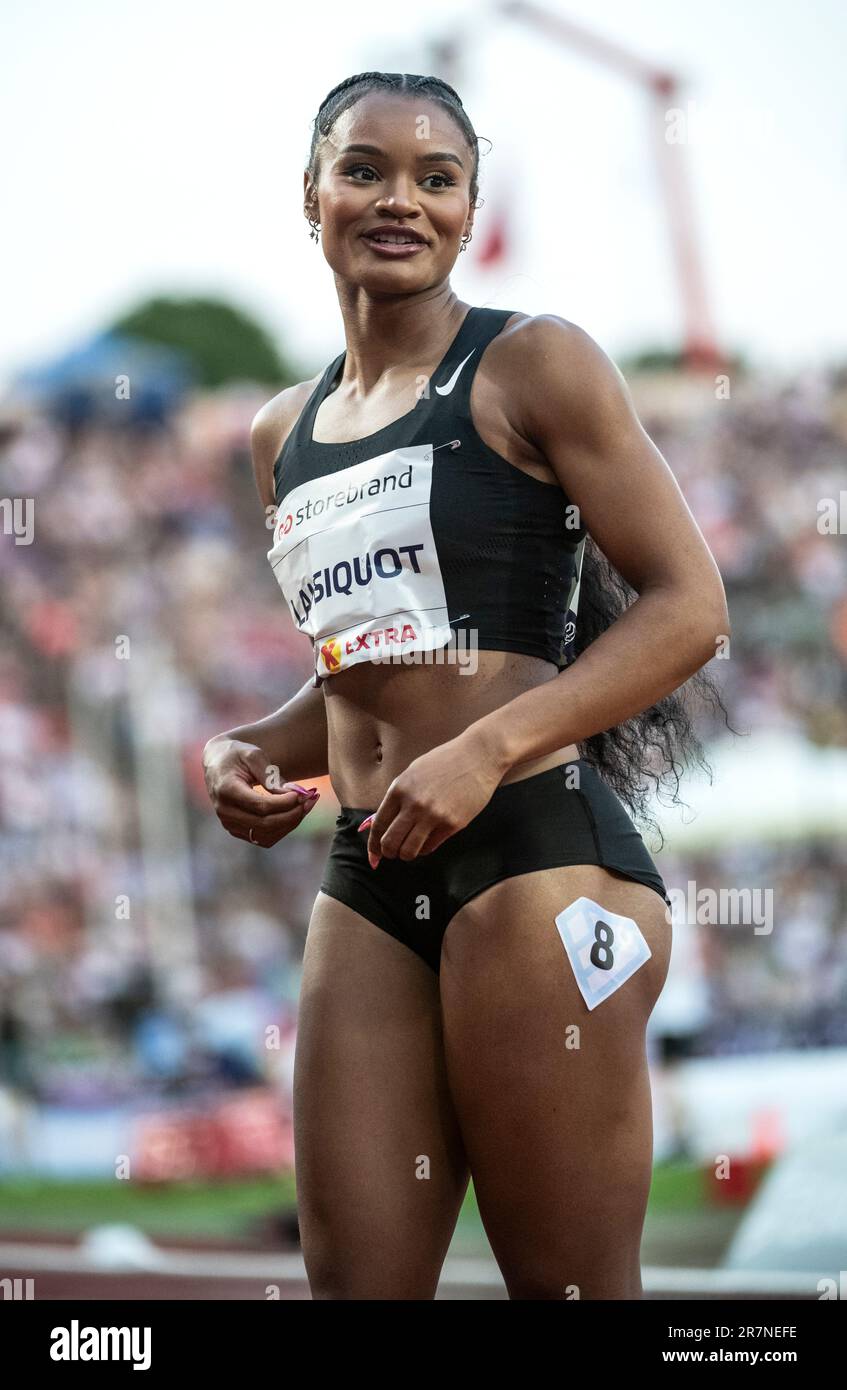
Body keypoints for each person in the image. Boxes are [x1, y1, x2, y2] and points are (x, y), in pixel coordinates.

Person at [203, 71, 731, 1300]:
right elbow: (360, 674)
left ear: (468, 208)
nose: (401, 200)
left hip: (535, 854)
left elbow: (688, 609)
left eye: (437, 179)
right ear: (312, 195)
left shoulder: (533, 361)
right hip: (371, 869)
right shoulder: (281, 432)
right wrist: (252, 746)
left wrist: (488, 749)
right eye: (366, 170)